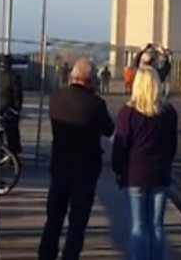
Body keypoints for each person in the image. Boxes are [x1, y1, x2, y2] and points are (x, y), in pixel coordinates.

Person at [38, 58, 115, 260]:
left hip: (60, 165)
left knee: (53, 219)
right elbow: (109, 129)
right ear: (90, 80)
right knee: (77, 222)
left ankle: (46, 256)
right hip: (85, 170)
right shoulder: (96, 104)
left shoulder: (56, 97)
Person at [113, 66, 178, 260]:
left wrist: (118, 169)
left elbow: (120, 146)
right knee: (157, 226)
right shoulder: (169, 112)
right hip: (160, 174)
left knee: (138, 226)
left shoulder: (128, 113)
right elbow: (172, 146)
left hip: (135, 174)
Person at [0, 54, 23, 161]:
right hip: (9, 110)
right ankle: (13, 159)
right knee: (12, 136)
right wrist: (17, 108)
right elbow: (17, 94)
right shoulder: (13, 76)